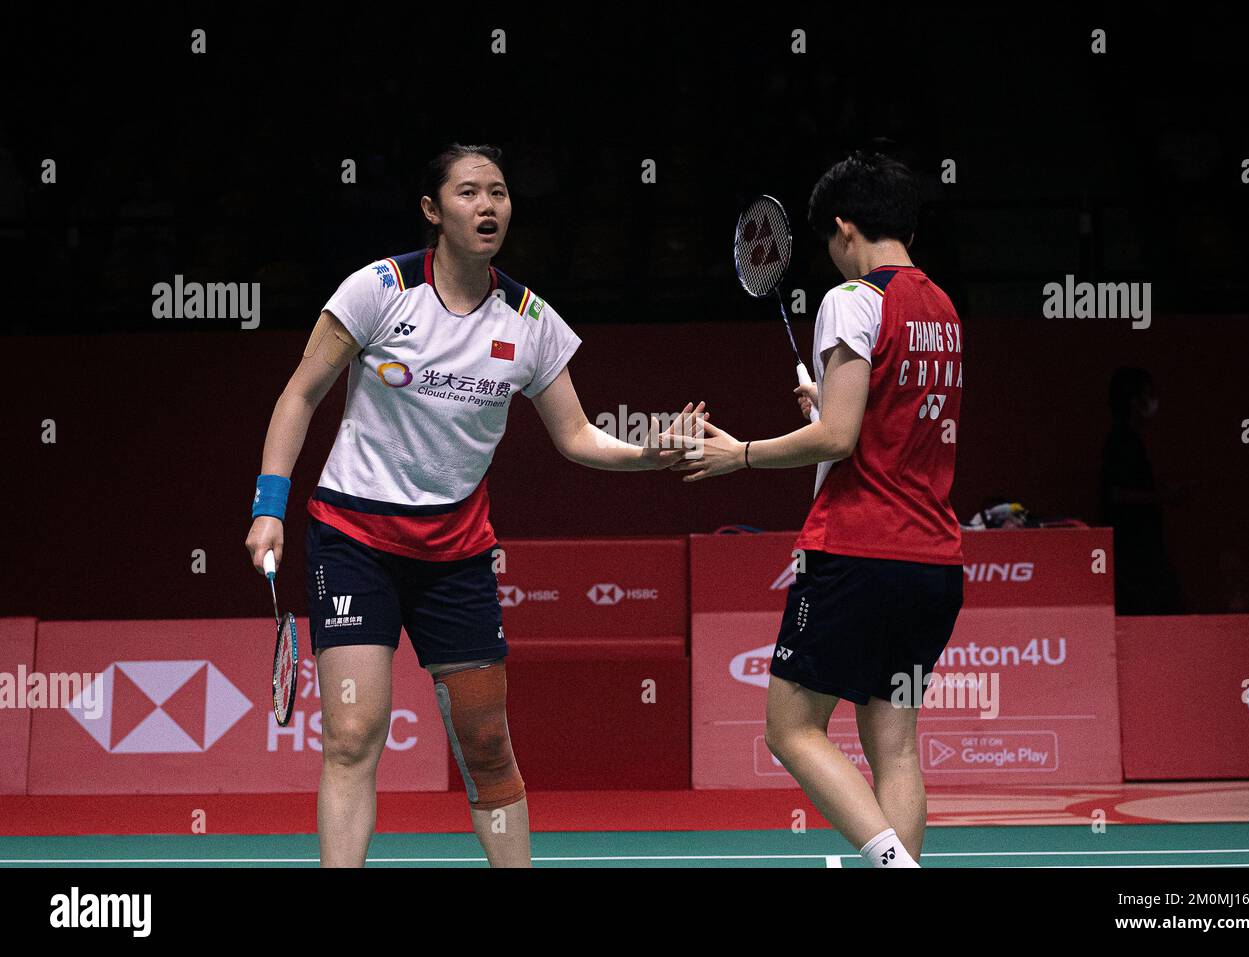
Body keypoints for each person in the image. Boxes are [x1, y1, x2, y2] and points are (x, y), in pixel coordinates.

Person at [244, 143, 702, 867]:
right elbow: (299, 394)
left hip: (455, 556)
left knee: (487, 745)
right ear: (433, 210)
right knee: (354, 733)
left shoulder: (529, 320)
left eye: (498, 192)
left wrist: (650, 452)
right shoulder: (378, 290)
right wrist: (269, 503)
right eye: (468, 192)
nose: (487, 206)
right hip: (353, 540)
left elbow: (577, 435)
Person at [670, 151, 964, 867]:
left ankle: (895, 867)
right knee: (893, 744)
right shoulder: (944, 309)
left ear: (842, 229)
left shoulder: (853, 298)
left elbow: (837, 436)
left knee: (790, 727)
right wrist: (831, 400)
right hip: (932, 562)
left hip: (858, 553)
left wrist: (737, 453)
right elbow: (888, 423)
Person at [1099, 367, 1186, 614]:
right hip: (1132, 553)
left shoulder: (1133, 442)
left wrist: (1159, 489)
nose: (1154, 401)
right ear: (1133, 402)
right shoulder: (1120, 441)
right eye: (1148, 395)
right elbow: (1115, 493)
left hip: (1143, 549)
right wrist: (1164, 497)